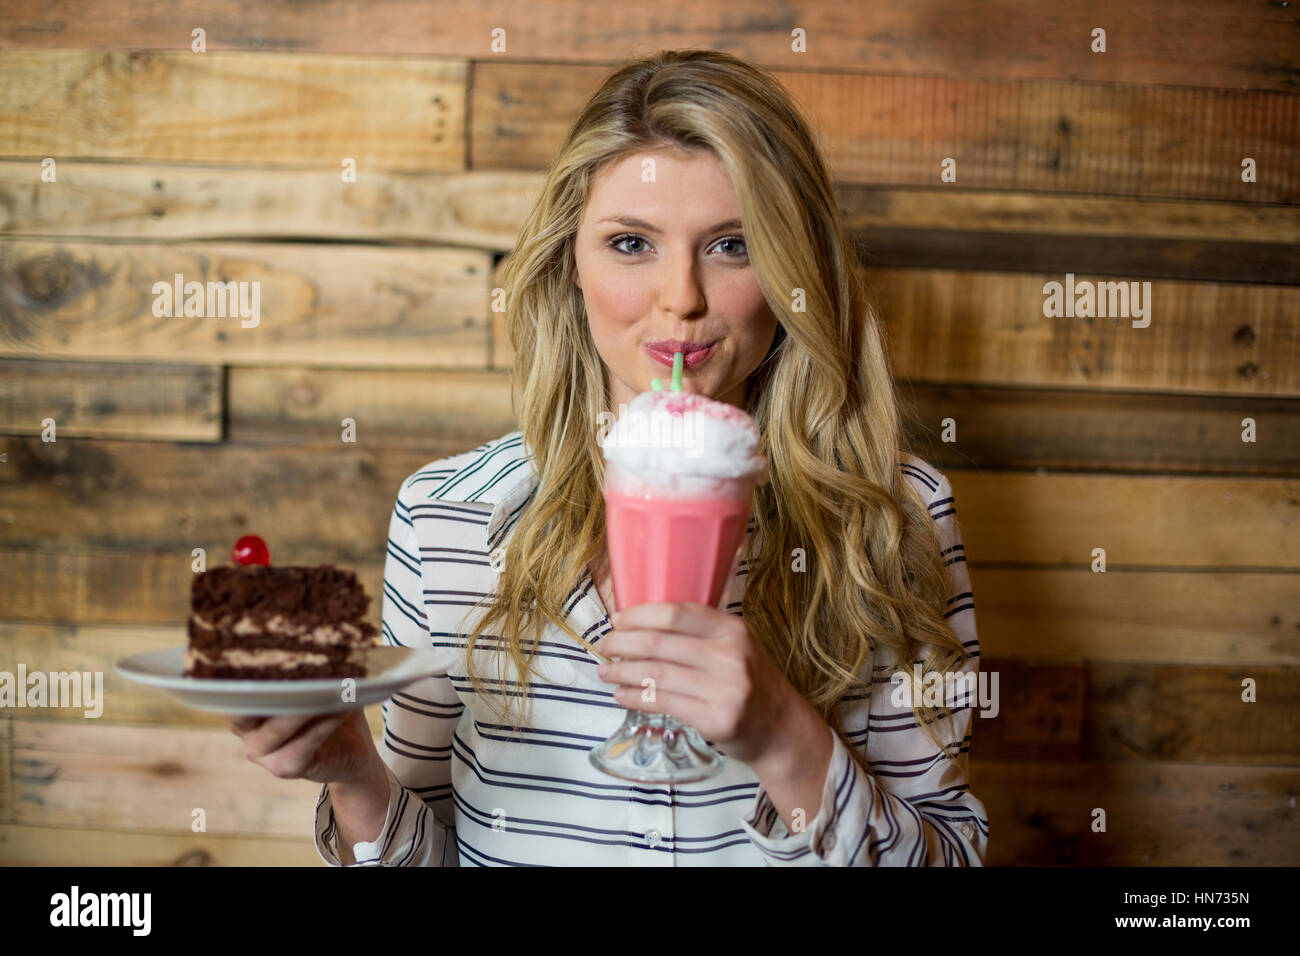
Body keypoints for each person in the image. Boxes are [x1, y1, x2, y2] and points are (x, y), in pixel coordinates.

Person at [228, 48, 989, 866]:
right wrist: (352, 777)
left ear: (794, 270)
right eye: (632, 243)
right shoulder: (446, 518)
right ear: (571, 264)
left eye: (732, 245)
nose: (683, 296)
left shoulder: (892, 516)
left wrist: (782, 738)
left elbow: (953, 856)